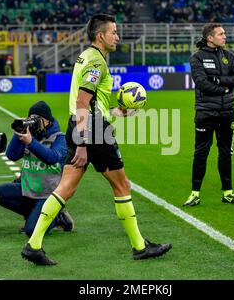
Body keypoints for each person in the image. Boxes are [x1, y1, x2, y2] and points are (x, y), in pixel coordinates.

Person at [21, 14, 172, 265]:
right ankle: (139, 246)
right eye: (114, 32)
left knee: (65, 188)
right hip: (91, 131)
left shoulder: (88, 57)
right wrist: (82, 143)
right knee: (122, 186)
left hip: (80, 124)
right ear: (101, 35)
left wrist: (116, 112)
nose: (118, 36)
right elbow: (83, 102)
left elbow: (90, 105)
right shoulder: (96, 63)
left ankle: (33, 244)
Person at [183, 23, 234, 207]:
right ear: (210, 38)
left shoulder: (229, 56)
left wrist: (219, 80)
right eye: (221, 34)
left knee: (226, 152)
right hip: (205, 112)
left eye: (224, 33)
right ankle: (195, 194)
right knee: (201, 152)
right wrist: (226, 88)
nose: (224, 36)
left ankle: (228, 192)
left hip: (227, 112)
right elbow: (202, 83)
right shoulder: (197, 58)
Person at [0, 101, 74, 237]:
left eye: (37, 120)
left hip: (49, 195)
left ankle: (57, 216)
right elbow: (11, 155)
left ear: (47, 120)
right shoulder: (29, 135)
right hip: (28, 189)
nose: (34, 123)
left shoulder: (59, 138)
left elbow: (51, 157)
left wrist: (31, 142)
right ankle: (30, 213)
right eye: (31, 119)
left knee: (31, 231)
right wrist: (18, 133)